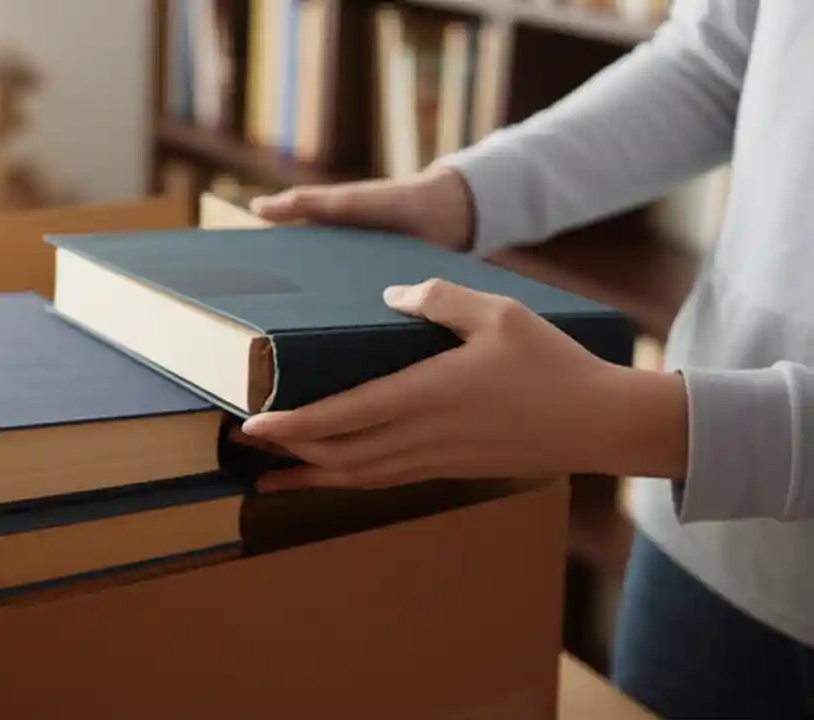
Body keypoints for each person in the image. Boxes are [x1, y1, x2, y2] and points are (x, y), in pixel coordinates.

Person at [237, 1, 814, 716]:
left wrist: (635, 422)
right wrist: (462, 197)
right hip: (707, 546)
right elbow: (718, 61)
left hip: (701, 462)